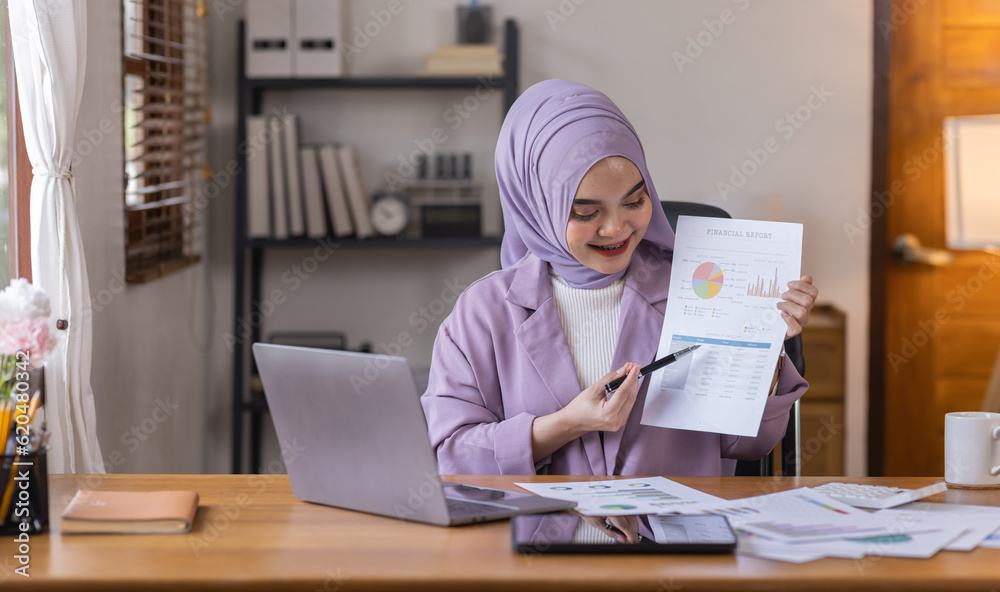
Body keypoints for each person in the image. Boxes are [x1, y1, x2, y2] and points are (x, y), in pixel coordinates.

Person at [421, 79, 817, 476]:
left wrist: (764, 349)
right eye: (586, 212)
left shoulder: (697, 294)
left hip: (671, 535)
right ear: (534, 206)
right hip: (538, 537)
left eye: (634, 201)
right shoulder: (483, 313)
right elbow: (453, 455)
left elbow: (747, 445)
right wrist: (565, 425)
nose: (616, 229)